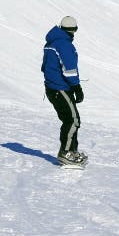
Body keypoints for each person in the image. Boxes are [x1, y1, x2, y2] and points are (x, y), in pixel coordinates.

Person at [41, 16, 87, 166]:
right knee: (73, 120)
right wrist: (77, 88)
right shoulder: (64, 45)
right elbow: (70, 70)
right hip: (59, 88)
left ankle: (72, 151)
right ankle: (66, 152)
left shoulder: (51, 43)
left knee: (71, 120)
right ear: (74, 30)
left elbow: (45, 67)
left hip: (54, 87)